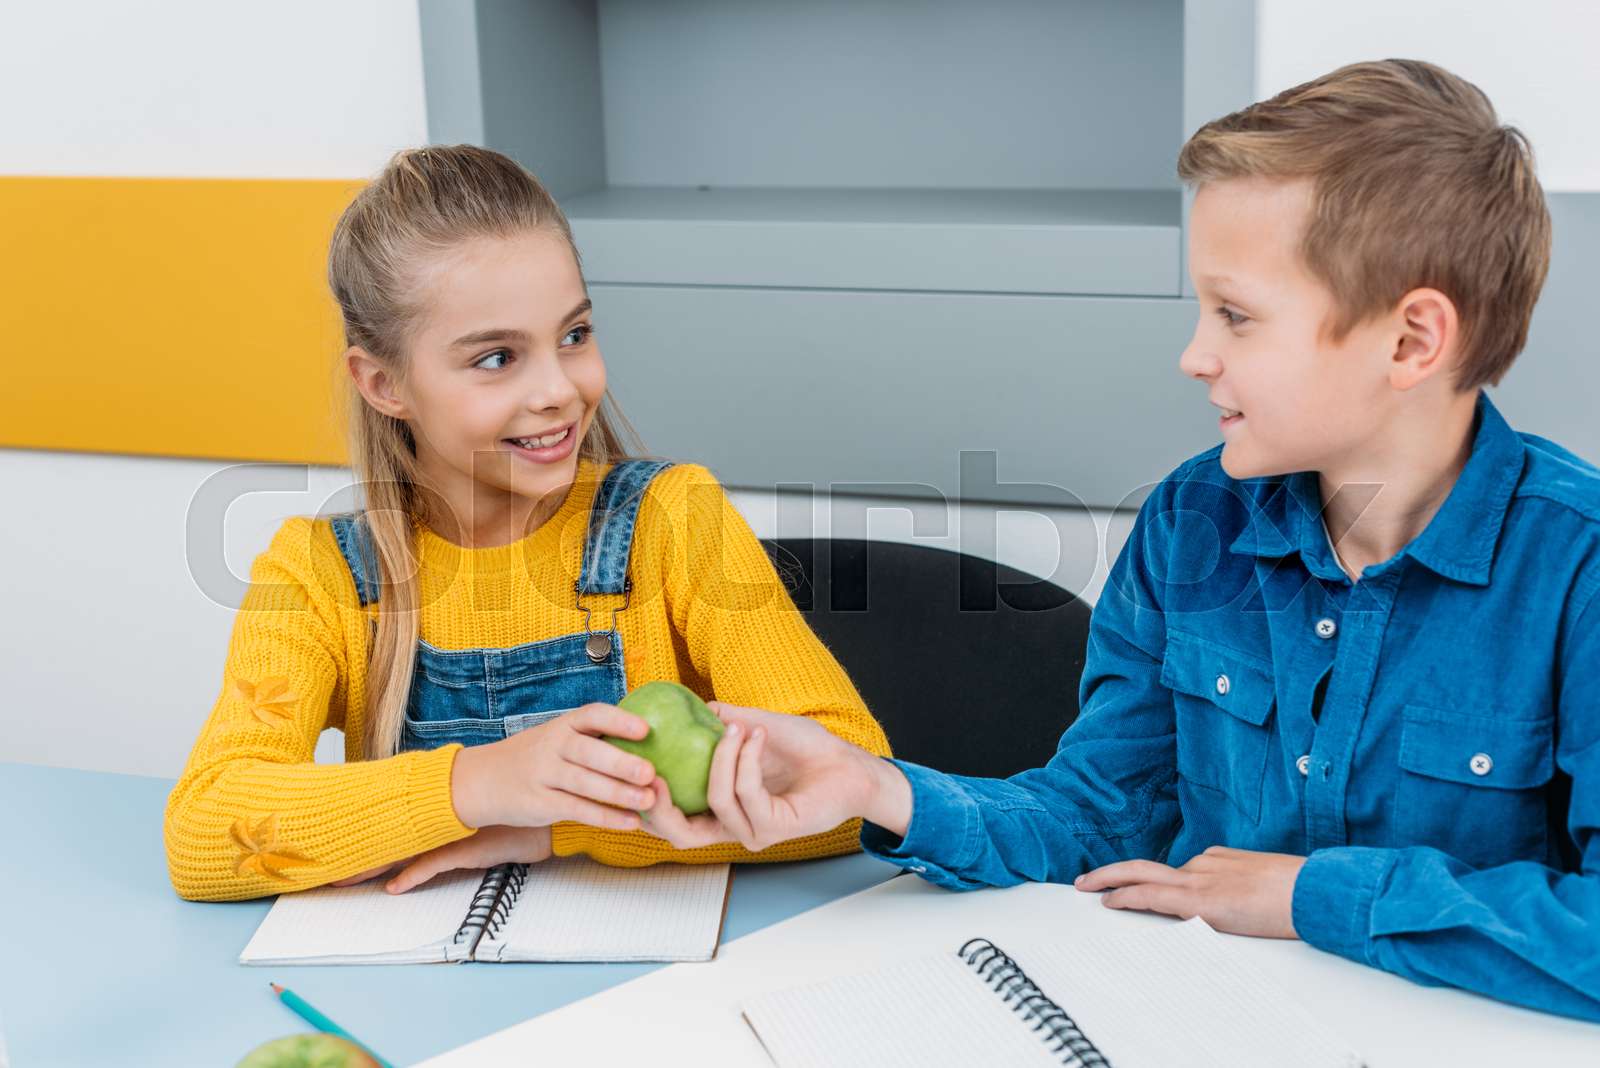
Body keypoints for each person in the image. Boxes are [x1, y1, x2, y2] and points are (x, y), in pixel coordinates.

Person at [652, 60, 1600, 1021]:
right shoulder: (1196, 520)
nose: (1196, 355)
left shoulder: (1580, 570)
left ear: (1410, 342)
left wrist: (1311, 898)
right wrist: (877, 789)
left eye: (1236, 315)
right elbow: (1097, 817)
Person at [163, 145, 890, 902]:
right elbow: (205, 831)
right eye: (497, 358)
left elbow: (851, 786)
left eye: (573, 336)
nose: (559, 390)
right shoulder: (321, 574)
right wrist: (477, 784)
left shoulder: (674, 520)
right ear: (383, 383)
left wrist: (555, 830)